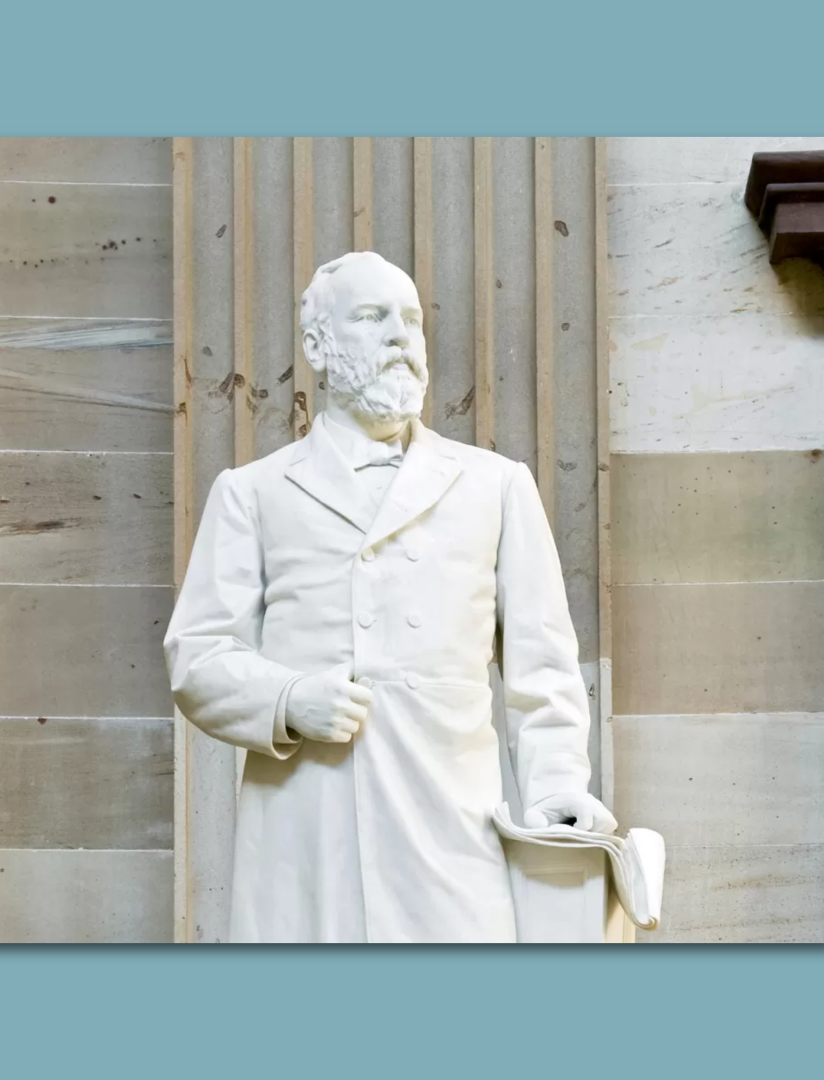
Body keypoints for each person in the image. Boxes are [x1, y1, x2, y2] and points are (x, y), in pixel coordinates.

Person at [164, 251, 613, 943]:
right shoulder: (251, 492)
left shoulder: (495, 485)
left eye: (411, 320)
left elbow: (543, 670)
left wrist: (556, 790)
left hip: (450, 833)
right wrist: (286, 699)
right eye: (373, 318)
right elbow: (196, 655)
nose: (401, 337)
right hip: (306, 837)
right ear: (317, 345)